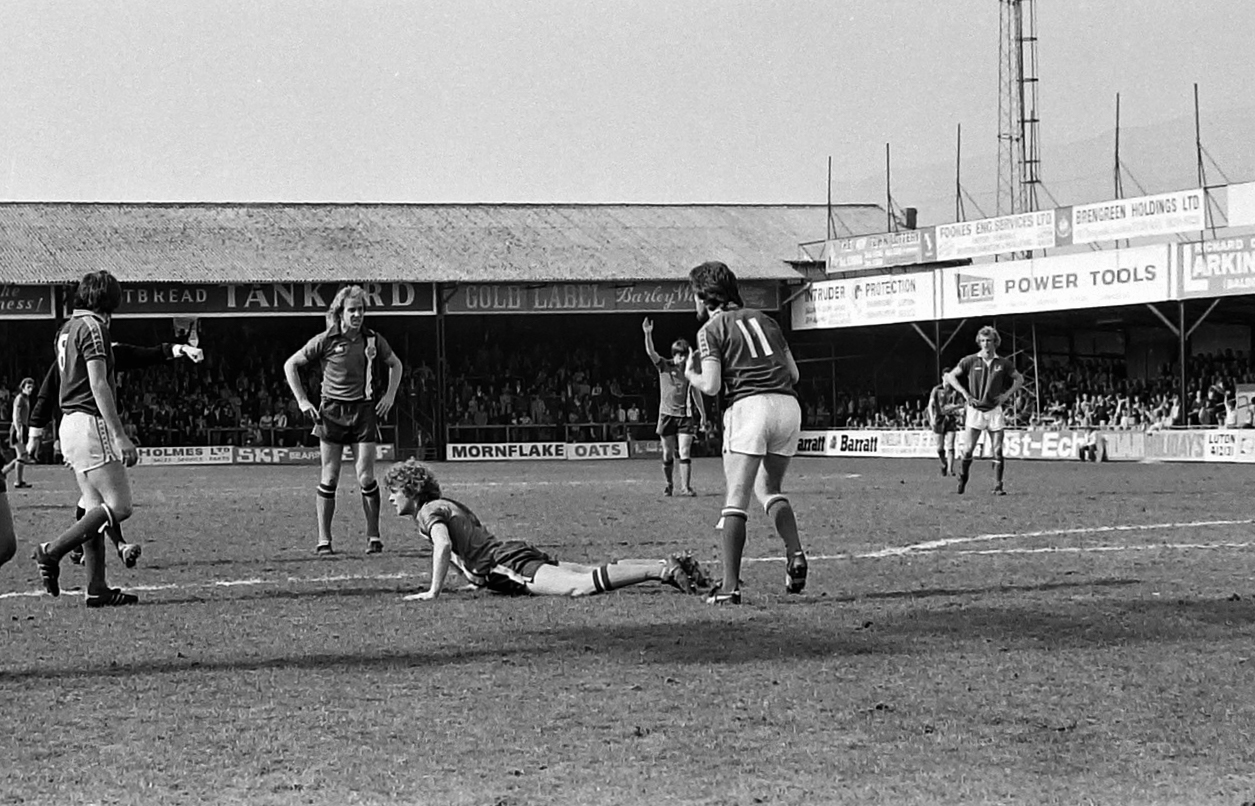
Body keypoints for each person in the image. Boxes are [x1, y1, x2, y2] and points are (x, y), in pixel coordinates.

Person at [383, 459, 706, 599]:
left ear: (410, 491)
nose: (390, 498)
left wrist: (433, 591)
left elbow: (444, 546)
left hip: (506, 563)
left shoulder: (428, 512)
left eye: (394, 491)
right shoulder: (442, 505)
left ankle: (663, 571)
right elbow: (463, 546)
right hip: (508, 552)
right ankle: (666, 564)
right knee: (588, 570)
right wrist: (475, 580)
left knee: (579, 586)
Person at [683, 260, 807, 606]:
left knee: (736, 498)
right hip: (787, 406)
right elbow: (794, 374)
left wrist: (689, 374)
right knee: (769, 489)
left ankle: (730, 587)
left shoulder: (711, 329)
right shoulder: (767, 321)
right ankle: (795, 553)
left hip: (749, 408)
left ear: (704, 296)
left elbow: (711, 385)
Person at [27, 338, 204, 567]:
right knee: (115, 504)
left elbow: (47, 392)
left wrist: (36, 431)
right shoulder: (95, 348)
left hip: (73, 429)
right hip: (91, 427)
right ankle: (55, 549)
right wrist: (120, 436)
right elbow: (137, 356)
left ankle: (96, 578)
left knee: (93, 501)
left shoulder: (72, 351)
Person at [31, 270, 140, 607]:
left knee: (93, 507)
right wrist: (120, 434)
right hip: (90, 422)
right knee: (120, 506)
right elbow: (98, 383)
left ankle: (97, 588)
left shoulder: (66, 329)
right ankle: (52, 551)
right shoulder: (94, 328)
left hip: (70, 423)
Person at [284, 285, 403, 555]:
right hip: (332, 413)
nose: (358, 315)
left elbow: (396, 364)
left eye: (361, 310)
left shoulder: (372, 340)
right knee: (330, 476)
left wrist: (390, 396)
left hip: (363, 412)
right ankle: (324, 540)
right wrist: (303, 401)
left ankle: (374, 537)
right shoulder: (325, 340)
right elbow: (290, 364)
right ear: (341, 313)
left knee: (365, 476)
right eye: (352, 310)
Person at [944, 325, 1024, 496]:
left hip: (994, 410)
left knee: (998, 449)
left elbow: (1019, 379)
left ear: (995, 342)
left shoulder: (1003, 363)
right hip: (975, 411)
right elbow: (951, 376)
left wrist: (1006, 395)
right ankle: (963, 477)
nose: (986, 344)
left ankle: (998, 485)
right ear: (979, 342)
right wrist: (964, 393)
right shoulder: (970, 360)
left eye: (989, 341)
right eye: (983, 341)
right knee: (968, 450)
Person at [641, 317, 708, 496]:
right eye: (680, 354)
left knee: (685, 451)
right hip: (666, 415)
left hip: (685, 416)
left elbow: (696, 392)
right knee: (668, 453)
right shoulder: (664, 365)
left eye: (685, 354)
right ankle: (669, 484)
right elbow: (650, 351)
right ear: (674, 354)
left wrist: (703, 414)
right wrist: (648, 334)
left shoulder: (690, 371)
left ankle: (686, 487)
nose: (682, 358)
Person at [927, 369, 963, 476]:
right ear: (943, 377)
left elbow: (961, 405)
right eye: (946, 377)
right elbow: (930, 404)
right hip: (939, 419)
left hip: (951, 420)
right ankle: (944, 463)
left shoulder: (955, 391)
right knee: (939, 447)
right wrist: (932, 418)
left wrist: (958, 410)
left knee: (951, 444)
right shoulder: (937, 390)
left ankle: (950, 470)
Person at [3, 378, 35, 488]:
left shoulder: (26, 399)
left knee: (22, 456)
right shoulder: (20, 398)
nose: (30, 389)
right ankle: (14, 478)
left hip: (24, 428)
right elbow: (15, 416)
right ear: (23, 388)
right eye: (28, 387)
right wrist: (18, 430)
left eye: (31, 387)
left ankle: (14, 478)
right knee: (22, 455)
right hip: (18, 429)